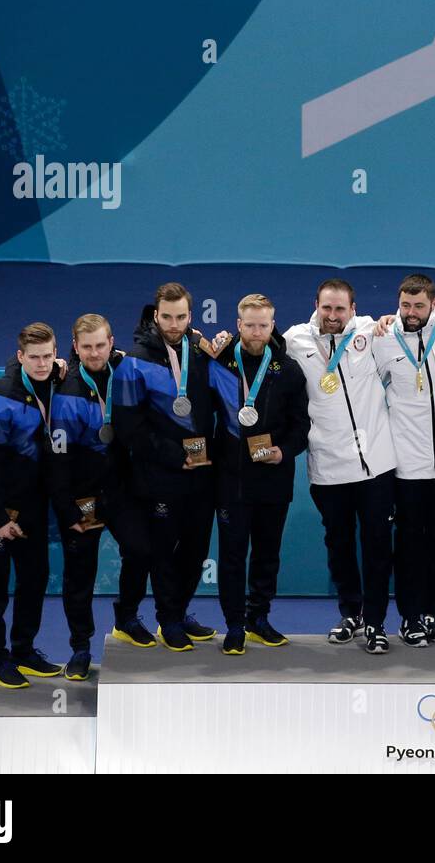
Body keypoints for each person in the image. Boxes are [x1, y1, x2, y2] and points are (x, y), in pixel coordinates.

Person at [112, 283, 225, 652]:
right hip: (160, 475)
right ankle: (168, 620)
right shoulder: (135, 360)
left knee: (195, 550)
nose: (173, 324)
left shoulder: (199, 349)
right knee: (163, 551)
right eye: (167, 317)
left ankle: (179, 609)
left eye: (181, 317)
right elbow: (130, 428)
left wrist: (222, 351)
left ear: (190, 316)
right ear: (155, 315)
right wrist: (175, 456)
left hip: (203, 471)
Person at [285, 279, 396, 653]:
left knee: (377, 546)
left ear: (353, 308)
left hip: (376, 467)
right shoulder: (294, 340)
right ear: (315, 305)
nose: (332, 316)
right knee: (340, 546)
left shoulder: (372, 332)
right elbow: (256, 352)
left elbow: (416, 338)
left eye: (340, 309)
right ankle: (351, 613)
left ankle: (377, 623)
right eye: (326, 308)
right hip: (328, 467)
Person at [50, 314, 155, 679]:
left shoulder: (127, 371)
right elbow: (58, 460)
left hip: (122, 491)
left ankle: (126, 616)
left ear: (111, 342)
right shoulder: (63, 387)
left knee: (142, 551)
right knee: (80, 575)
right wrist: (67, 510)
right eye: (87, 347)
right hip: (81, 497)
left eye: (100, 344)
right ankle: (80, 647)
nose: (95, 353)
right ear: (76, 347)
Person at [208, 294, 310, 654]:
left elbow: (301, 425)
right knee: (233, 556)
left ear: (272, 324)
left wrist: (284, 451)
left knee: (268, 554)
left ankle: (258, 618)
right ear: (238, 324)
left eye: (263, 325)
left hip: (273, 479)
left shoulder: (289, 369)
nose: (255, 332)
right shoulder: (219, 362)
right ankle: (235, 625)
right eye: (249, 325)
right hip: (230, 480)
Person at [373, 275, 435, 647]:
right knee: (410, 543)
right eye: (405, 306)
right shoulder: (382, 338)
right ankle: (410, 617)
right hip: (407, 462)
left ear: (434, 303)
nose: (411, 313)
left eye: (418, 306)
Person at [0, 323, 66, 687]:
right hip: (2, 510)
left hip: (34, 506)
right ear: (20, 357)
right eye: (35, 358)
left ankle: (23, 650)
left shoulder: (57, 378)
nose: (43, 363)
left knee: (34, 579)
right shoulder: (3, 395)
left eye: (48, 356)